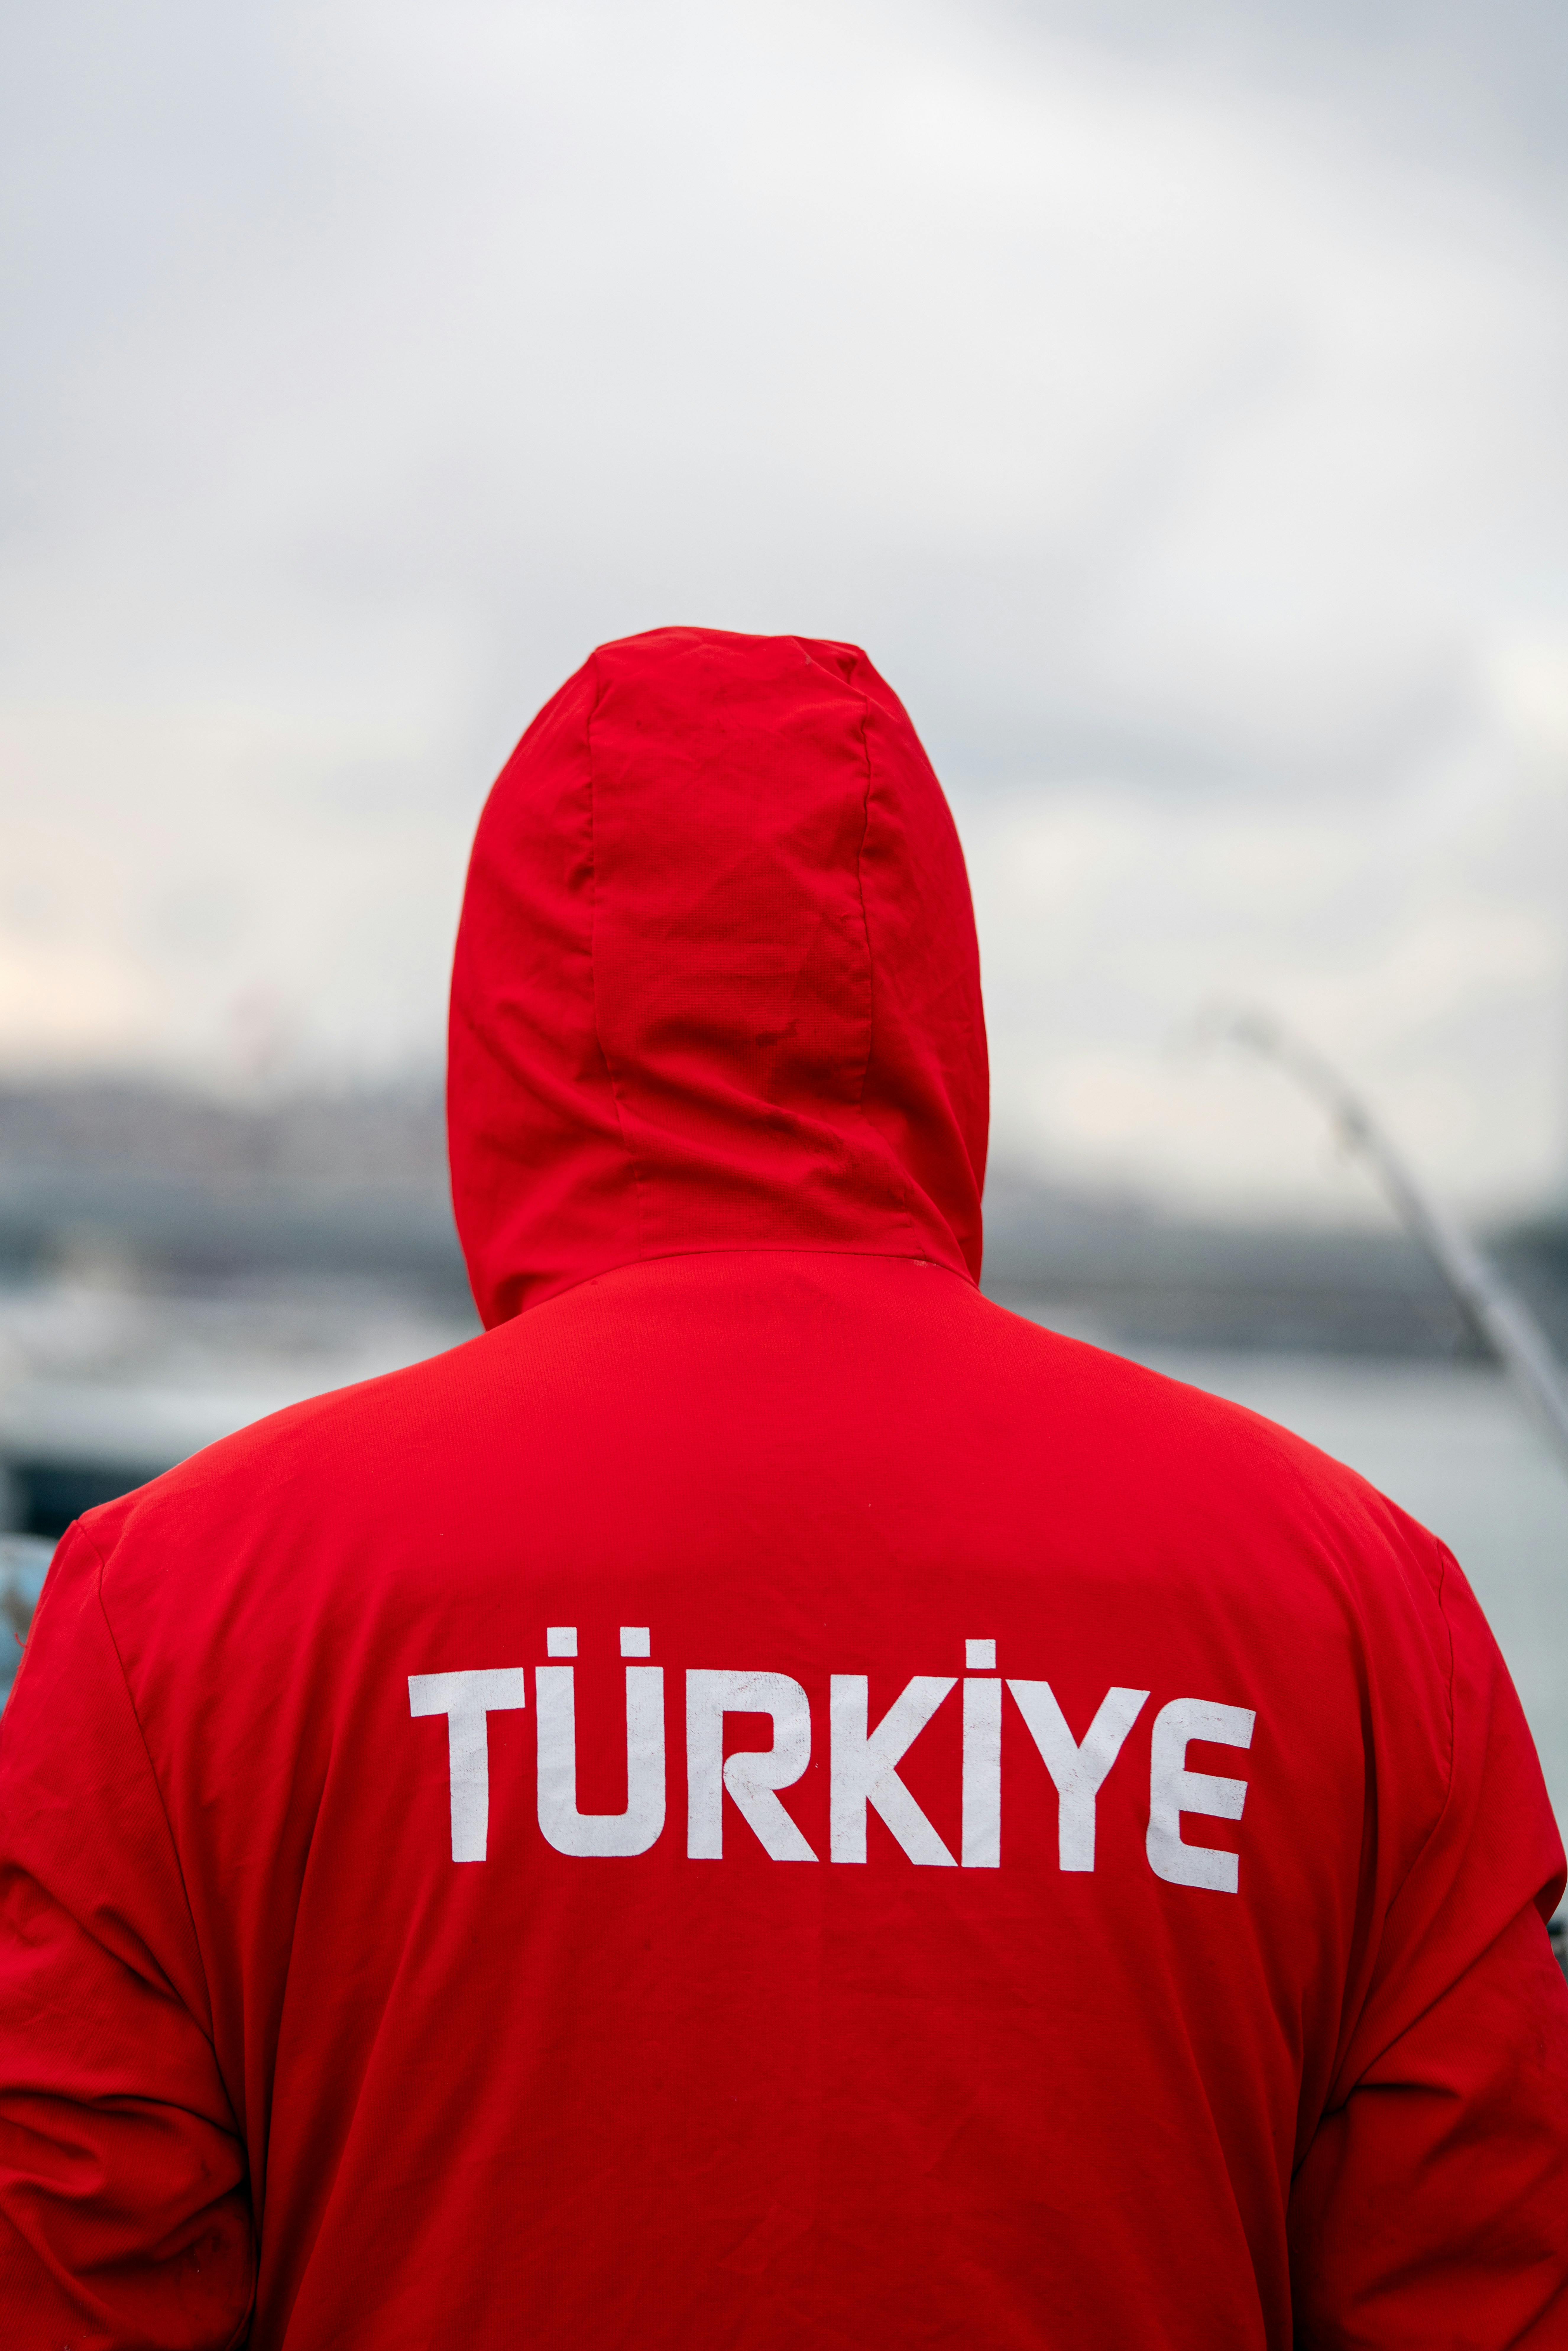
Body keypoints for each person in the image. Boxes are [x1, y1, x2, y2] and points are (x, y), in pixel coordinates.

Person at [1, 625, 1565, 2350]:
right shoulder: (1356, 1618)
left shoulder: (174, 1614)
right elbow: (1477, 2294)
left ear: (503, 1019)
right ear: (938, 1014)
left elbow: (72, 2286)